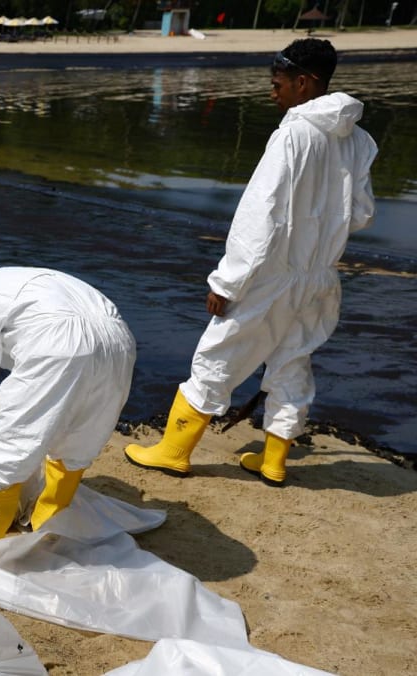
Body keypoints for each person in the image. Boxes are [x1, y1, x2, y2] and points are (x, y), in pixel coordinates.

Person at [125, 38, 377, 487]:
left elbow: (260, 215)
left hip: (275, 274)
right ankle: (273, 461)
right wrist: (318, 230)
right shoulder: (357, 140)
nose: (272, 91)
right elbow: (361, 214)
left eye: (277, 83)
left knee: (218, 355)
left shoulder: (293, 133)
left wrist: (227, 282)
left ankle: (174, 451)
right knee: (293, 362)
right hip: (319, 276)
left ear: (304, 82)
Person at [0, 266, 136, 551]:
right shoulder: (17, 281)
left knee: (16, 438)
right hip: (119, 338)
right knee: (83, 431)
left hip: (58, 340)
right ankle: (52, 517)